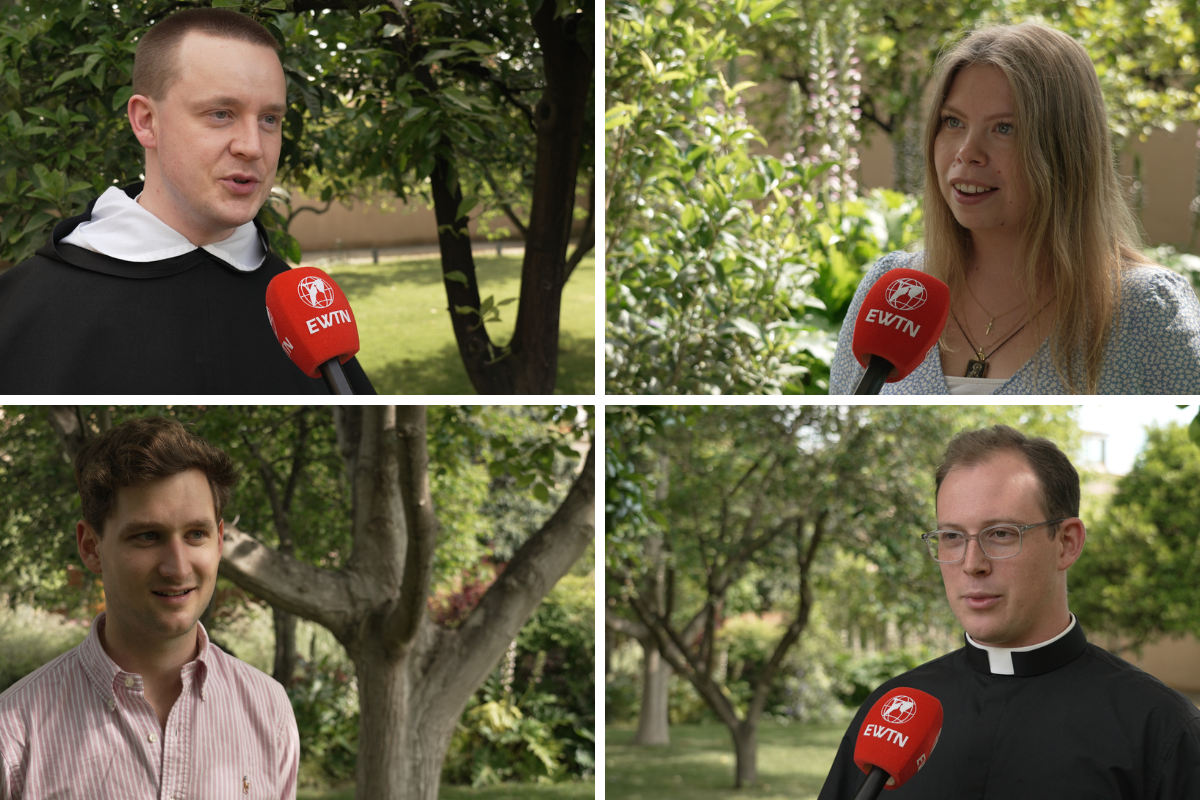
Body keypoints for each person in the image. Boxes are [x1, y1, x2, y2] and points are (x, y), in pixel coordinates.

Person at [0, 8, 375, 393]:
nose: (252, 147)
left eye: (269, 119)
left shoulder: (303, 313)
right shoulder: (22, 309)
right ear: (146, 121)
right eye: (220, 113)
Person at [817, 425, 1200, 798]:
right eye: (951, 537)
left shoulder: (1161, 728)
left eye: (1000, 533)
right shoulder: (891, 715)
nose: (972, 564)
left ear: (1066, 543)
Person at [829, 22, 1200, 394]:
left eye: (1005, 128)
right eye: (953, 121)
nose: (966, 153)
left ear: (1065, 150)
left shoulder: (1145, 310)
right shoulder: (892, 290)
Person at [0, 418, 300, 798]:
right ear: (91, 546)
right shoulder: (13, 735)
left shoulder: (268, 708)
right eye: (147, 536)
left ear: (220, 541)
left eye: (196, 534)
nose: (177, 567)